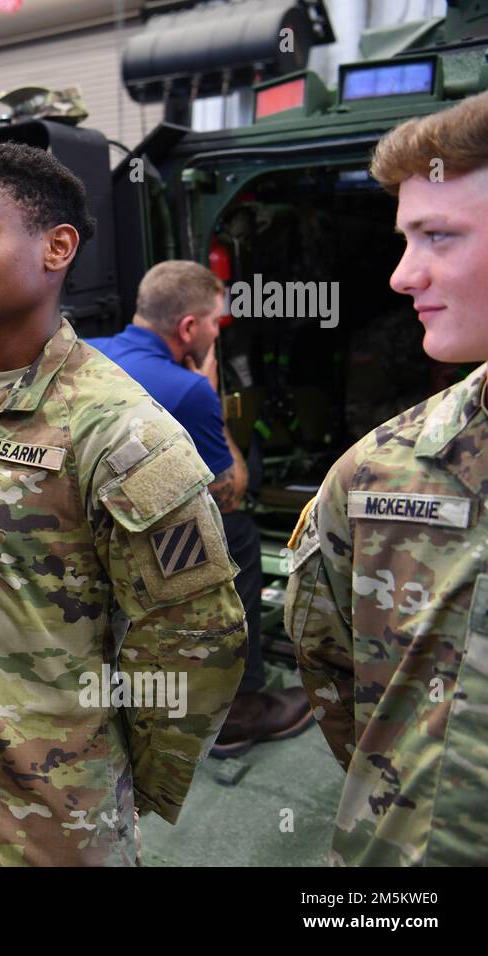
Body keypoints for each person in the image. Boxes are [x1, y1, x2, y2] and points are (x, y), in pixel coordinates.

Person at [0, 142, 247, 866]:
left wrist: (111, 777)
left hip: (43, 829)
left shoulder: (120, 430)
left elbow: (197, 644)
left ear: (57, 248)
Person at [285, 89, 488, 866]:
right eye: (407, 238)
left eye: (438, 236)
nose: (404, 275)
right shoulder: (378, 471)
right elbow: (334, 679)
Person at [87, 261, 311, 757]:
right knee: (238, 532)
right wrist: (210, 397)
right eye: (215, 321)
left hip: (96, 533)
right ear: (189, 328)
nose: (218, 329)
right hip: (157, 544)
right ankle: (239, 713)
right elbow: (229, 489)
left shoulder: (90, 353)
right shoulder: (189, 390)